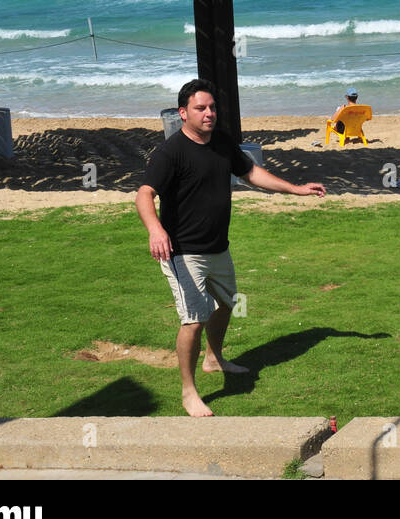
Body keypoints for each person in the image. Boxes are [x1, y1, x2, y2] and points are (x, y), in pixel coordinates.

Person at [136, 79, 327, 417]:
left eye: (212, 107)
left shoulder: (222, 143)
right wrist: (155, 230)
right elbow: (144, 193)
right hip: (183, 252)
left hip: (217, 248)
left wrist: (295, 189)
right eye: (201, 108)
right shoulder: (171, 151)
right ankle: (188, 392)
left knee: (227, 304)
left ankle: (214, 358)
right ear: (183, 113)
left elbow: (251, 172)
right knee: (193, 320)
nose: (209, 113)